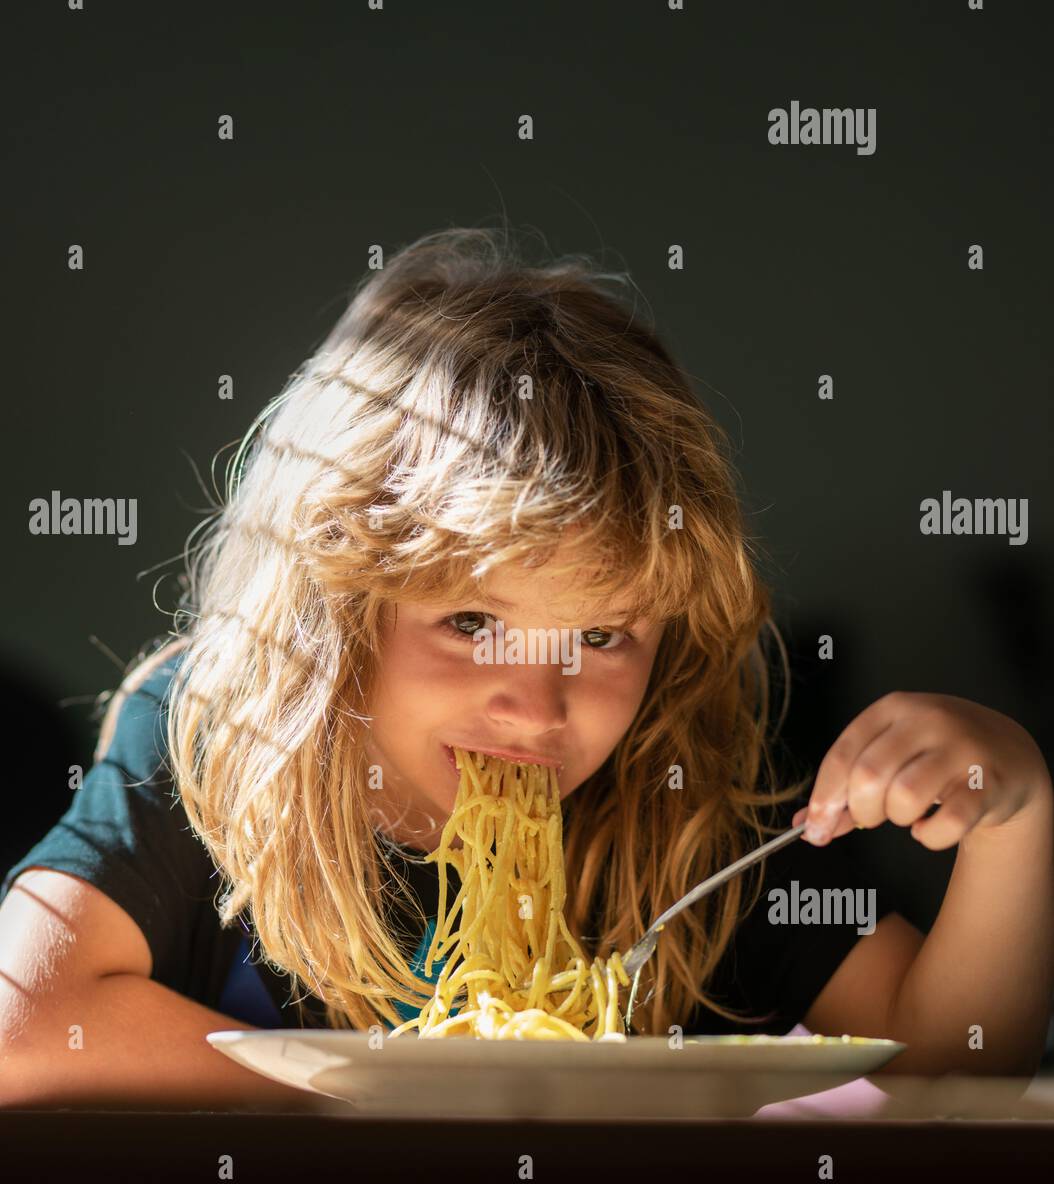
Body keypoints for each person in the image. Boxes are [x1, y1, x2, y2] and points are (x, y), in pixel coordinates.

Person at [1, 226, 1051, 1109]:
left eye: (602, 638)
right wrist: (415, 1104)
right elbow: (27, 1024)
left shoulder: (677, 805)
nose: (537, 706)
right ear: (334, 611)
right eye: (470, 620)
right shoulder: (217, 736)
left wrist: (1015, 819)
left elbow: (952, 1061)